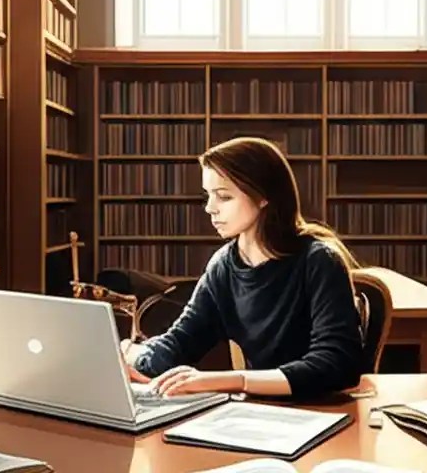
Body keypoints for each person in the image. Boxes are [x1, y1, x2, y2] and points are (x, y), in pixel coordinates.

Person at [118, 136, 365, 400]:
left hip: (325, 410)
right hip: (263, 411)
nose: (210, 208)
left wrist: (235, 381)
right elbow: (180, 343)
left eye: (224, 196)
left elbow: (337, 364)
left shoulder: (319, 261)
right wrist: (132, 355)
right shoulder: (223, 266)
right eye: (208, 195)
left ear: (263, 196)